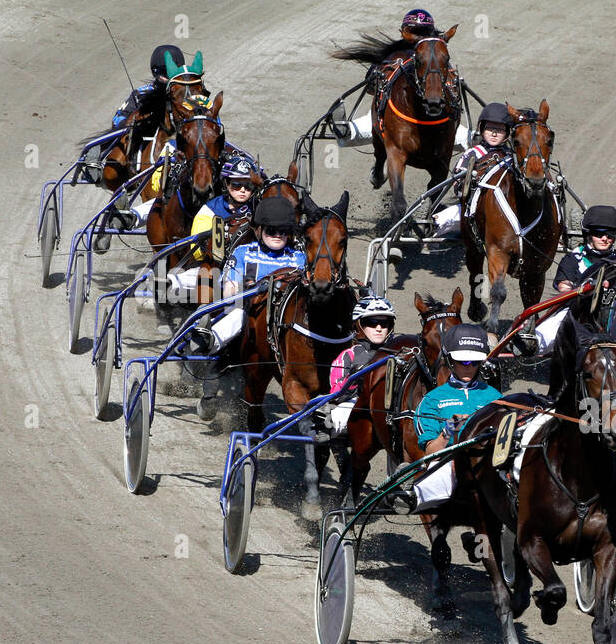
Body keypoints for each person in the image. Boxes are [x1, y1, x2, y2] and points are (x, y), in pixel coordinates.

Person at [398, 324, 502, 511]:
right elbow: (430, 453)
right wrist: (447, 432)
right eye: (463, 362)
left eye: (475, 362)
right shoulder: (432, 400)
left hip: (488, 464)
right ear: (450, 360)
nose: (469, 367)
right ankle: (410, 492)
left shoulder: (495, 396)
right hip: (449, 464)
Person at [189, 196, 305, 355]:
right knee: (238, 314)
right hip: (250, 309)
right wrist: (238, 287)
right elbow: (229, 290)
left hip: (284, 314)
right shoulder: (244, 253)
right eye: (271, 230)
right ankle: (212, 340)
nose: (278, 235)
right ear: (259, 230)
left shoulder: (298, 258)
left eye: (283, 231)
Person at [521, 205, 616, 357]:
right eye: (598, 233)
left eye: (610, 234)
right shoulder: (573, 258)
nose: (604, 238)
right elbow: (564, 286)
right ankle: (533, 343)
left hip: (613, 312)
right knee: (560, 322)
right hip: (578, 308)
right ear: (588, 234)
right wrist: (582, 292)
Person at [430, 103, 513, 238]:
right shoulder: (473, 153)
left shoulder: (511, 157)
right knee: (440, 221)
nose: (493, 133)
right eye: (490, 128)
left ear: (507, 132)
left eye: (499, 129)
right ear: (481, 129)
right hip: (474, 208)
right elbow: (457, 186)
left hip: (506, 210)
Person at [319, 295, 397, 436]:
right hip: (355, 405)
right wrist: (355, 380)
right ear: (359, 325)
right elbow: (335, 394)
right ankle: (341, 451)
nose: (379, 328)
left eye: (384, 323)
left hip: (392, 407)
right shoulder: (348, 356)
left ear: (390, 326)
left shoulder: (399, 353)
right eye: (372, 322)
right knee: (335, 417)